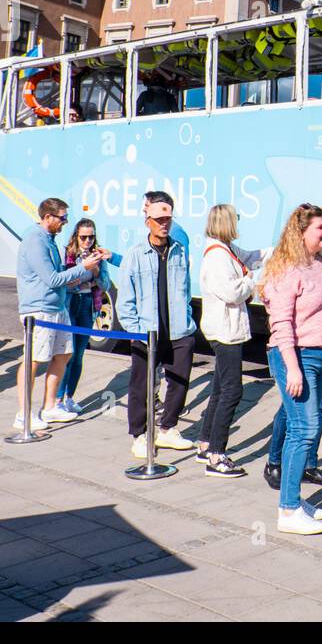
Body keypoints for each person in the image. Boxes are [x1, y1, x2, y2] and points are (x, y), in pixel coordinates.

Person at [260, 204, 322, 535]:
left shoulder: (321, 264)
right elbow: (282, 325)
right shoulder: (287, 270)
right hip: (296, 355)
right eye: (321, 229)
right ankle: (288, 511)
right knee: (304, 429)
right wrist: (292, 368)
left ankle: (295, 499)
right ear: (301, 233)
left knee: (304, 427)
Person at [115, 190, 199, 457]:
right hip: (147, 332)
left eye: (168, 219)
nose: (164, 224)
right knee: (141, 385)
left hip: (179, 331)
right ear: (147, 220)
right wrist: (135, 330)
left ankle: (168, 429)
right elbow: (124, 299)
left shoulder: (178, 250)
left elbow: (184, 290)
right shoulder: (136, 254)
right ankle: (139, 435)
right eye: (159, 219)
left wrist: (186, 319)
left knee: (180, 382)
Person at [15, 197, 105, 431]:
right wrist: (81, 268)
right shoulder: (36, 240)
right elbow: (52, 278)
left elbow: (58, 275)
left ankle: (49, 407)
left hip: (56, 307)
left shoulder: (49, 239)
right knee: (33, 361)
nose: (65, 222)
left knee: (63, 355)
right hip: (39, 309)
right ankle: (23, 414)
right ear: (47, 217)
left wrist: (82, 273)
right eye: (62, 218)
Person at [196, 204, 264, 478]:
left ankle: (205, 444)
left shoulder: (227, 250)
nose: (238, 221)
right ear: (226, 223)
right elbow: (232, 292)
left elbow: (252, 257)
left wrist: (281, 248)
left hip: (226, 329)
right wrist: (253, 281)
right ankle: (217, 455)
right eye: (236, 218)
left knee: (219, 388)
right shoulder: (216, 257)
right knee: (232, 391)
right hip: (225, 332)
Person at [59, 219, 109, 414]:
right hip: (70, 302)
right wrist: (75, 280)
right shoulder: (67, 254)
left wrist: (95, 270)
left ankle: (70, 397)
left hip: (88, 303)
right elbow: (60, 281)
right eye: (83, 237)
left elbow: (105, 284)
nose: (88, 241)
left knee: (79, 354)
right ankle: (58, 399)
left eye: (91, 237)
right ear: (76, 237)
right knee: (66, 354)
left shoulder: (98, 256)